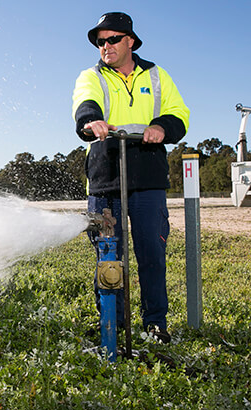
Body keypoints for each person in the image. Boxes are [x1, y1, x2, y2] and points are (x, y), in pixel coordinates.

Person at [72, 12, 190, 341]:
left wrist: (162, 128)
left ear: (130, 41)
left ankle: (155, 323)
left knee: (152, 253)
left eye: (111, 39)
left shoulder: (156, 75)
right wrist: (92, 121)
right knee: (109, 255)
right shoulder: (91, 76)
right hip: (105, 176)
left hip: (148, 178)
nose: (105, 46)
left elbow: (179, 113)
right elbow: (84, 103)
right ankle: (112, 321)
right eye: (100, 41)